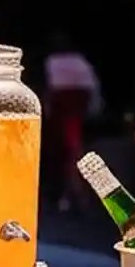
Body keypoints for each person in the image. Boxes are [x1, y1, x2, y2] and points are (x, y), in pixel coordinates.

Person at [43, 32, 101, 213]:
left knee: (69, 154)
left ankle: (73, 195)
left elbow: (50, 92)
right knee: (71, 152)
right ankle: (70, 195)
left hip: (68, 114)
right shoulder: (79, 62)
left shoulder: (55, 62)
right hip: (73, 115)